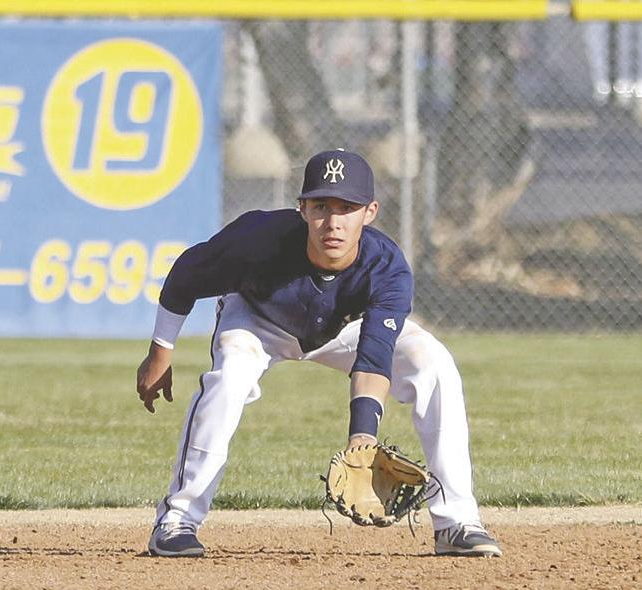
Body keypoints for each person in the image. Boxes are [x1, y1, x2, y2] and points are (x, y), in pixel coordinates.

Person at [135, 149, 502, 558]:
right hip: (258, 318)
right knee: (230, 378)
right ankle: (177, 519)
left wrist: (362, 440)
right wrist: (160, 353)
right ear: (302, 209)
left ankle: (457, 522)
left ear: (371, 212)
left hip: (345, 327)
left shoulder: (387, 268)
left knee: (432, 362)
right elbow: (185, 276)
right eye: (322, 206)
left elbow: (375, 357)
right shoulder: (257, 240)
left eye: (347, 207)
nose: (333, 221)